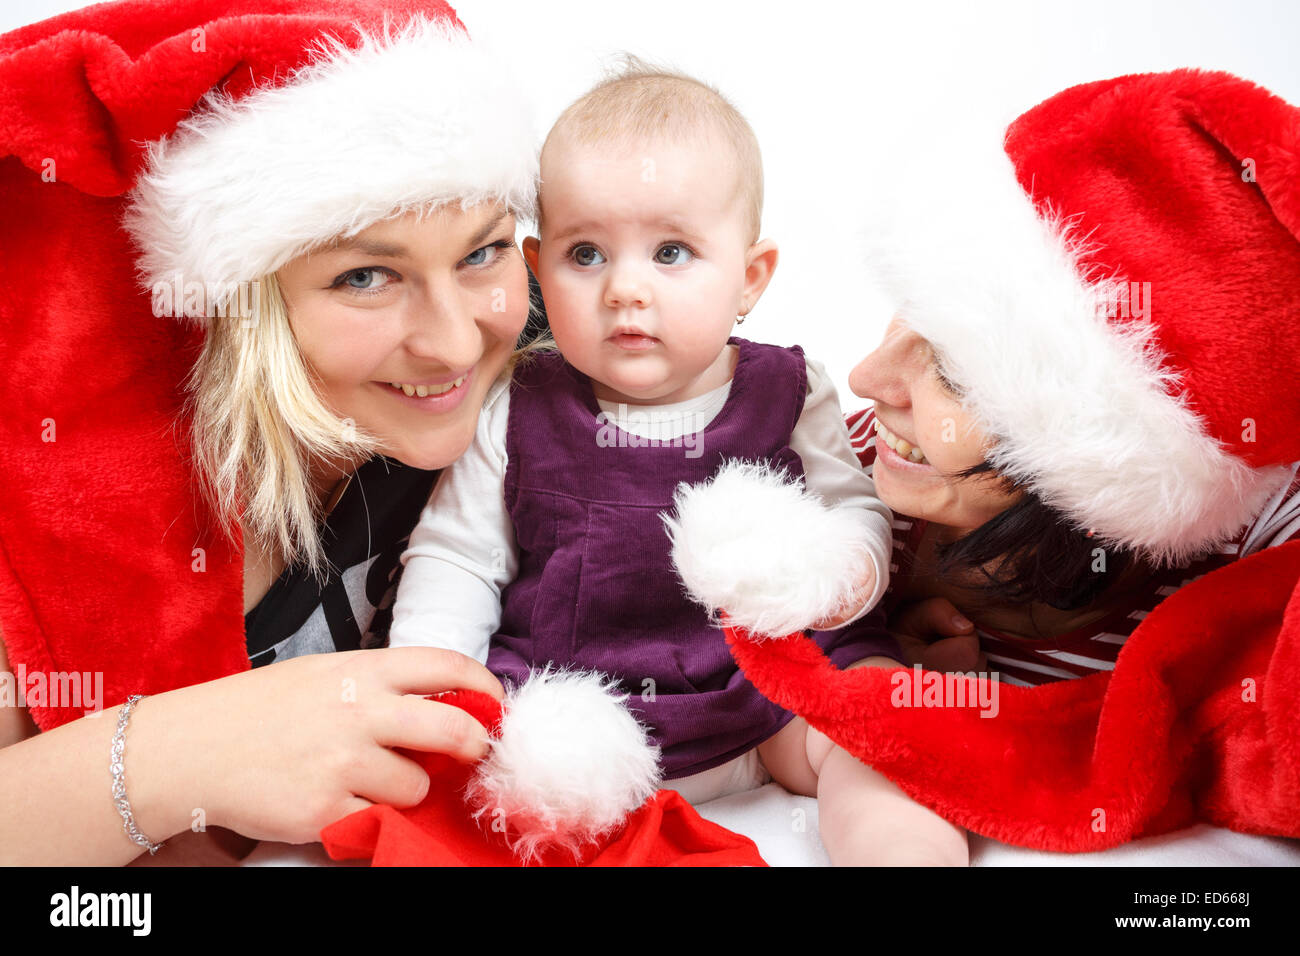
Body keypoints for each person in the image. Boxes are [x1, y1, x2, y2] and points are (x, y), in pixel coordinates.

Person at [387, 59, 969, 865]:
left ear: (750, 277)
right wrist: (436, 685)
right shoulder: (519, 402)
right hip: (576, 710)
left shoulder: (790, 388)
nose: (626, 289)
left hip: (771, 697)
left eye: (671, 252)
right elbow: (458, 556)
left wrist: (832, 578)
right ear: (536, 269)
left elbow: (855, 512)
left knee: (878, 734)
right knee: (483, 790)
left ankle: (899, 854)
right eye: (585, 255)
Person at [0, 2, 541, 864]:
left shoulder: (543, 373)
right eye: (366, 276)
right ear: (237, 305)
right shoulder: (44, 526)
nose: (453, 342)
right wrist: (179, 753)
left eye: (483, 252)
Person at [728, 68, 1300, 850]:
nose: (866, 378)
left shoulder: (1243, 542)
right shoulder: (826, 469)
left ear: (1091, 461)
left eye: (956, 373)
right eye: (910, 319)